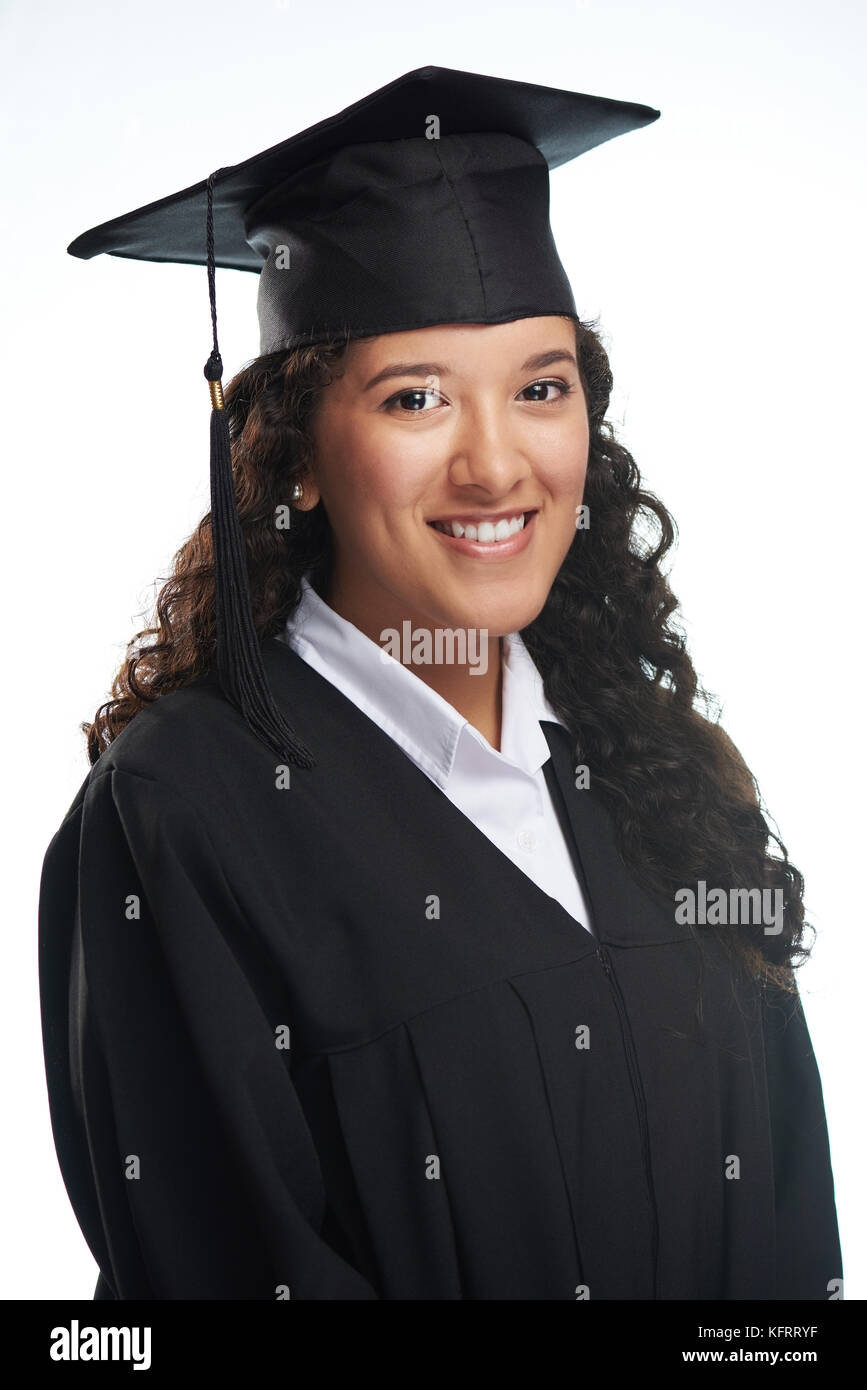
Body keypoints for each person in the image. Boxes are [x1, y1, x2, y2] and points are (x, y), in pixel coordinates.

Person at [38, 65, 842, 1300]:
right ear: (295, 451)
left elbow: (790, 1244)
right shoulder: (180, 821)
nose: (495, 462)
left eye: (540, 388)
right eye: (415, 397)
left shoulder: (663, 767)